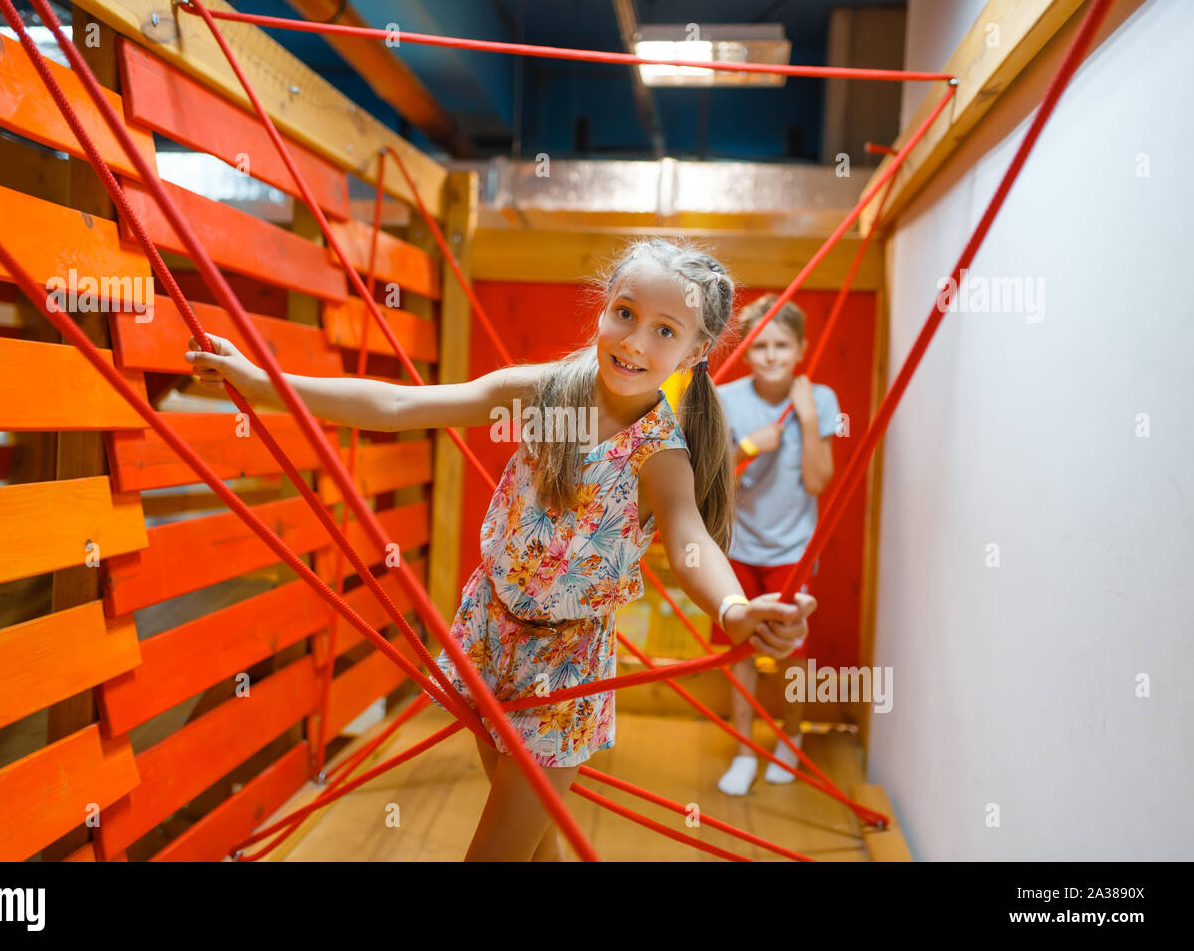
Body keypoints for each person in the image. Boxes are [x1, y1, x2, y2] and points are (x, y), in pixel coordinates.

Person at [184, 238, 817, 860]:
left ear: (696, 350)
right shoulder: (544, 392)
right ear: (604, 306)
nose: (633, 341)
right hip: (488, 628)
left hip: (565, 665)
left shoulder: (660, 452)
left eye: (664, 330)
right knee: (536, 845)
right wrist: (261, 382)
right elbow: (403, 403)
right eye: (624, 312)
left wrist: (733, 609)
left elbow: (690, 544)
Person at [713, 294, 838, 795]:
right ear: (745, 351)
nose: (770, 355)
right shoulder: (726, 400)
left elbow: (817, 482)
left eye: (781, 345)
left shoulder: (819, 399)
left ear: (801, 348)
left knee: (790, 650)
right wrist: (745, 447)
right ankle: (746, 750)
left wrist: (807, 420)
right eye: (760, 345)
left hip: (792, 549)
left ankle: (789, 739)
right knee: (738, 650)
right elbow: (710, 485)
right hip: (738, 546)